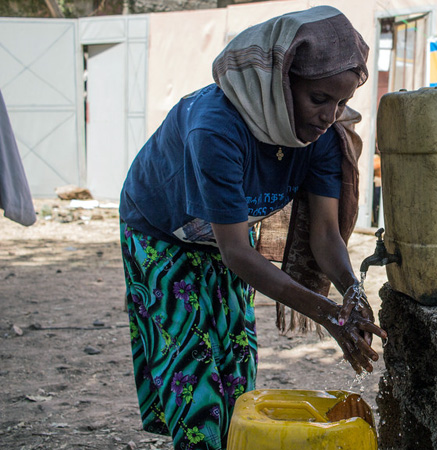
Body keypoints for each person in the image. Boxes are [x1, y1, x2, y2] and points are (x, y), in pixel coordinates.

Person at [118, 6, 386, 450]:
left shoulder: (319, 135)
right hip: (162, 232)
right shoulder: (217, 128)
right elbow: (239, 255)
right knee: (191, 369)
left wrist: (351, 291)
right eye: (319, 99)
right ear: (280, 83)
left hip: (222, 235)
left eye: (341, 103)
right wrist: (328, 312)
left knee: (235, 361)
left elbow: (325, 234)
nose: (329, 115)